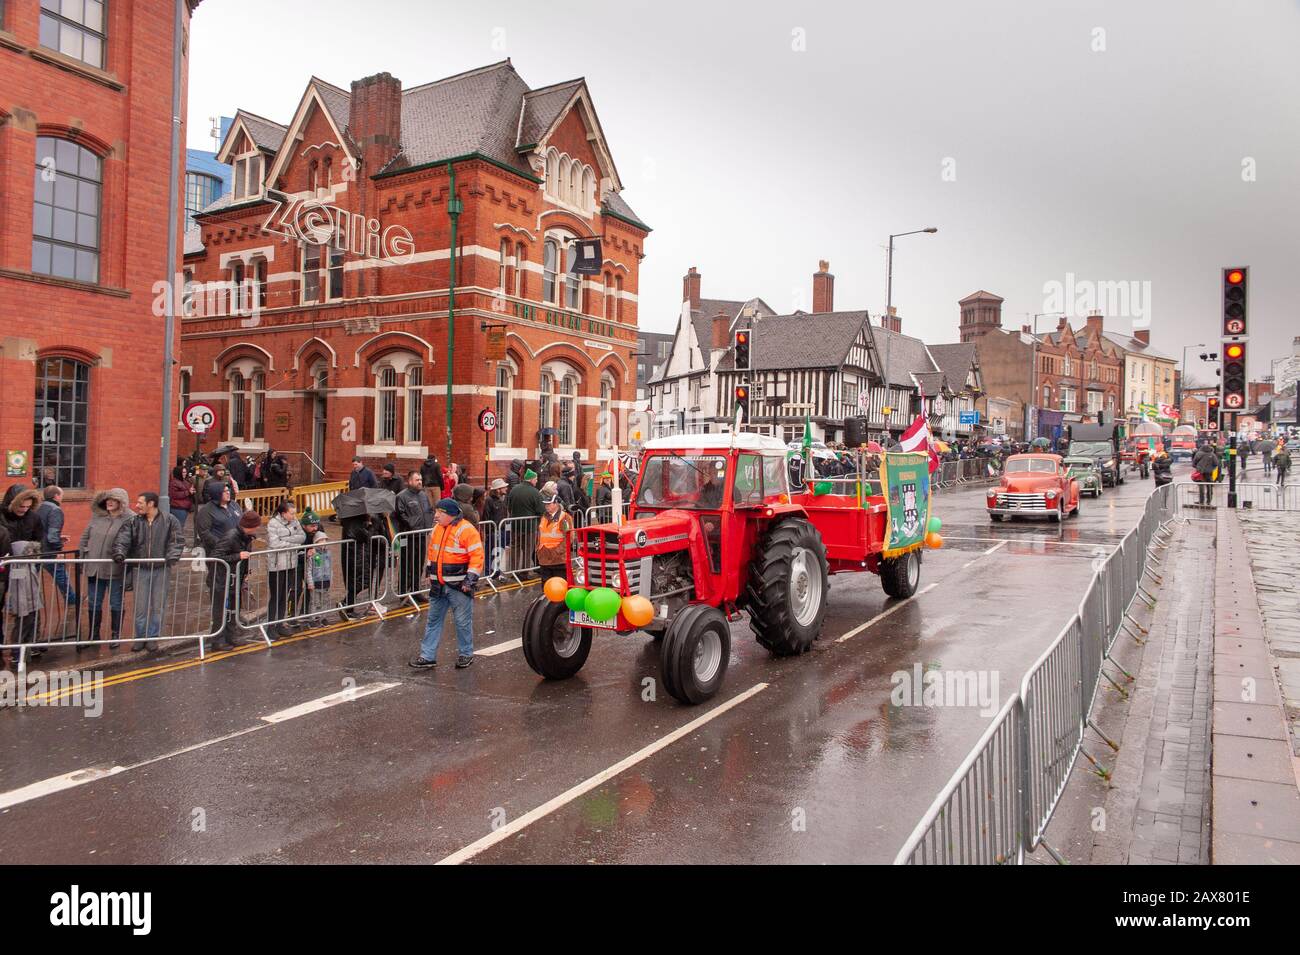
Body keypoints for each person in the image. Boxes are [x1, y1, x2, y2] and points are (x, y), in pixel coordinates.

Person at [410, 498, 483, 670]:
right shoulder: (437, 529)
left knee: (462, 622)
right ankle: (427, 656)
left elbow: (477, 557)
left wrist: (470, 580)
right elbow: (432, 551)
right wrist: (429, 571)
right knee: (433, 621)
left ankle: (466, 653)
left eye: (439, 513)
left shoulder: (466, 530)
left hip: (459, 585)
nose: (436, 516)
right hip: (439, 584)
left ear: (449, 514)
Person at [112, 491, 183, 651]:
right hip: (141, 569)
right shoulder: (133, 522)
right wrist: (119, 552)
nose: (137, 506)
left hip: (161, 569)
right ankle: (140, 637)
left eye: (140, 503)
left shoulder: (170, 520)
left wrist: (172, 556)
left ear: (151, 504)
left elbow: (177, 541)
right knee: (140, 607)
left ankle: (152, 637)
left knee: (158, 607)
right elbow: (122, 539)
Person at [78, 487, 130, 649]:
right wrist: (83, 558)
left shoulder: (130, 519)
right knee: (94, 601)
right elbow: (85, 538)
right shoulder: (97, 517)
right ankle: (93, 635)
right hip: (94, 567)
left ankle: (115, 635)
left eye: (113, 500)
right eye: (108, 499)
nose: (109, 502)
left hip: (115, 569)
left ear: (121, 502)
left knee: (115, 601)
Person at [209, 510, 261, 649]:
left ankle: (231, 636)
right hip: (223, 580)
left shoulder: (246, 537)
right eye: (257, 525)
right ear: (251, 525)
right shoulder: (231, 536)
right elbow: (216, 556)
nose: (258, 528)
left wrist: (245, 573)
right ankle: (217, 640)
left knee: (233, 609)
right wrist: (237, 556)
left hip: (236, 579)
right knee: (221, 611)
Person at [266, 499, 306, 636]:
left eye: (295, 514)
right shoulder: (273, 523)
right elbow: (275, 543)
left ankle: (280, 624)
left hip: (291, 563)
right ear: (283, 513)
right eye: (291, 514)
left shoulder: (295, 522)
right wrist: (293, 545)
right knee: (276, 596)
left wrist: (287, 541)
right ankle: (270, 627)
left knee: (285, 595)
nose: (294, 517)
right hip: (277, 565)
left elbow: (302, 537)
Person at [38, 485, 78, 608]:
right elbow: (52, 535)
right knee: (60, 575)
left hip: (37, 549)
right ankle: (72, 600)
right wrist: (58, 550)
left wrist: (58, 537)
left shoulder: (39, 508)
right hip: (49, 551)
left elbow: (42, 530)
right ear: (56, 496)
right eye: (61, 495)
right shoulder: (55, 510)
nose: (62, 498)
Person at [395, 471, 433, 598]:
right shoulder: (402, 496)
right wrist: (412, 525)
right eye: (417, 480)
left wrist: (428, 525)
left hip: (421, 535)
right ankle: (404, 591)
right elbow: (400, 515)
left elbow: (428, 511)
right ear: (410, 481)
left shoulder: (423, 495)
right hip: (408, 535)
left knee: (419, 563)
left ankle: (416, 590)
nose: (420, 482)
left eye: (421, 479)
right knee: (406, 564)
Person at [506, 468, 543, 576]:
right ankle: (524, 573)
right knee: (527, 550)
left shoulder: (514, 489)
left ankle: (513, 571)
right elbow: (540, 510)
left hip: (515, 525)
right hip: (529, 527)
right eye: (536, 479)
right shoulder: (535, 492)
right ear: (531, 480)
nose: (536, 481)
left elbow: (509, 506)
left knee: (514, 548)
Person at [303, 515, 333, 626]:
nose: (324, 542)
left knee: (325, 600)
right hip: (315, 582)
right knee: (314, 601)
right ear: (315, 542)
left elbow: (330, 568)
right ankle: (313, 619)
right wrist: (310, 583)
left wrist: (331, 580)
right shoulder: (313, 555)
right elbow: (309, 570)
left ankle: (323, 617)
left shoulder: (328, 554)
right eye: (321, 540)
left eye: (325, 540)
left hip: (326, 581)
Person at [536, 492, 573, 581]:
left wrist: (558, 551)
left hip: (558, 559)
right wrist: (538, 548)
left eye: (549, 504)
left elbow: (569, 536)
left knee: (560, 585)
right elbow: (541, 534)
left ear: (556, 504)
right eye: (545, 504)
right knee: (546, 586)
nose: (546, 506)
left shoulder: (564, 517)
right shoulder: (544, 517)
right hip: (544, 557)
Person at [168, 466, 196, 543]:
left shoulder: (184, 481)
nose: (185, 474)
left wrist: (192, 492)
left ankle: (178, 543)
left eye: (185, 472)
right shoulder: (174, 483)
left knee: (181, 526)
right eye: (183, 472)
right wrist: (188, 492)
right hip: (178, 508)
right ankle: (177, 543)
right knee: (178, 527)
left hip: (184, 507)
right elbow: (174, 495)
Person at [1192, 442, 1219, 507]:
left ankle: (1201, 501)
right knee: (1209, 486)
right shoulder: (1212, 454)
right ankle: (1209, 501)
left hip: (1200, 472)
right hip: (1209, 473)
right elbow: (1216, 463)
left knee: (1201, 486)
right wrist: (1211, 468)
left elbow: (1194, 462)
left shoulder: (1199, 453)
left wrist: (1198, 467)